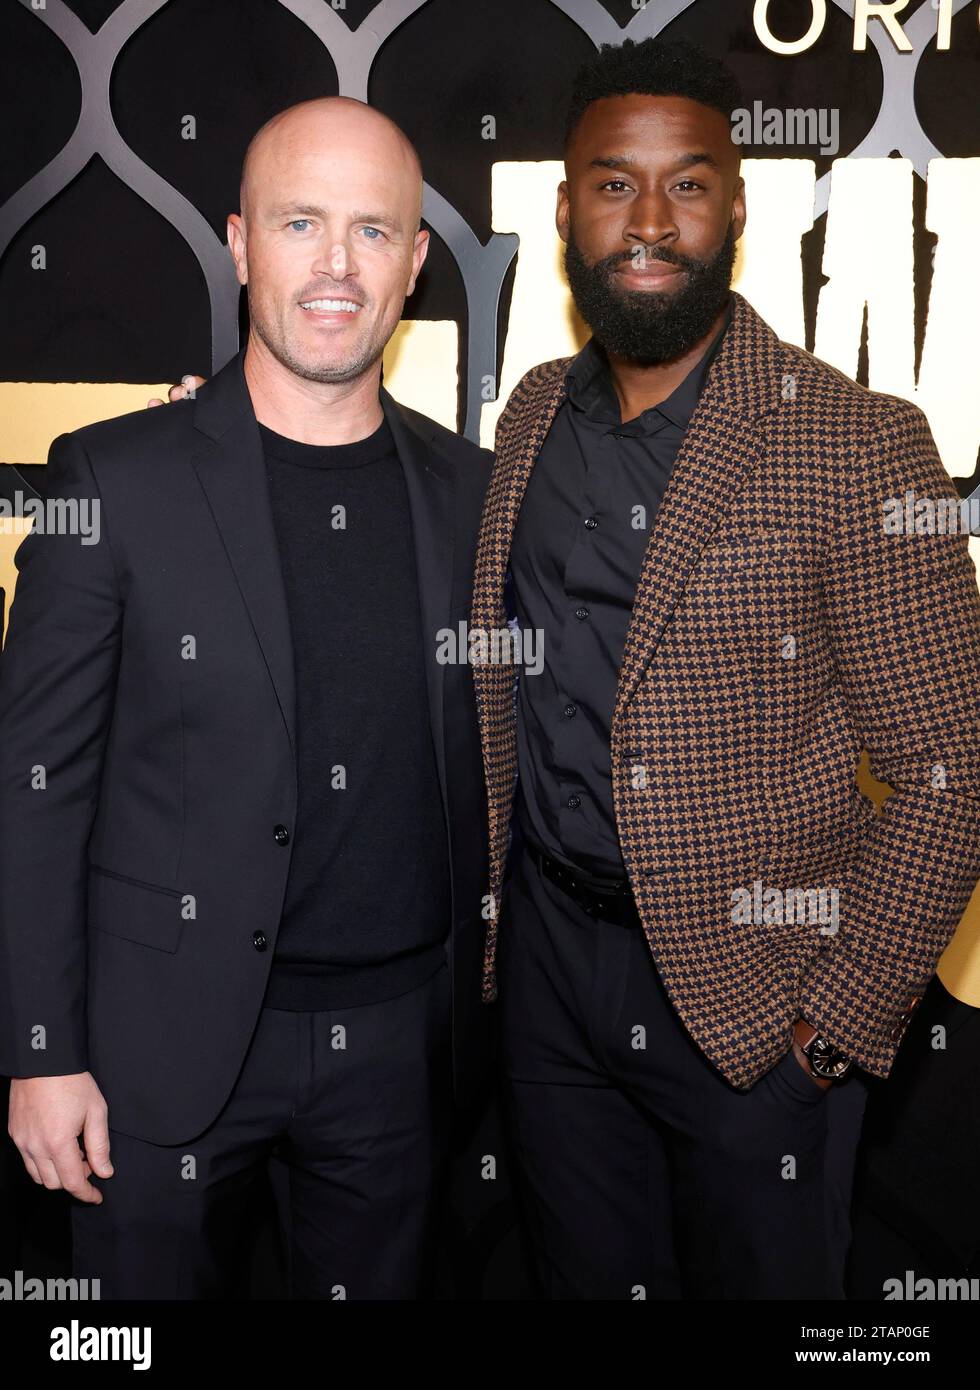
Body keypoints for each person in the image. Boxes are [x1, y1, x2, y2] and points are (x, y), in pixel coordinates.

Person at [470, 37, 980, 1299]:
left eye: (686, 184)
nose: (648, 220)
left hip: (755, 1004)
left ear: (736, 206)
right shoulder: (528, 411)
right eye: (612, 183)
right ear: (565, 207)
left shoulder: (854, 443)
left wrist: (836, 1025)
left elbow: (947, 764)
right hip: (542, 978)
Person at [0, 95, 492, 1300]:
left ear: (416, 263)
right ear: (236, 243)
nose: (335, 265)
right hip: (152, 1043)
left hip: (396, 1051)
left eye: (373, 232)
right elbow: (35, 788)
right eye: (299, 223)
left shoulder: (474, 493)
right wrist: (42, 1051)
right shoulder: (115, 478)